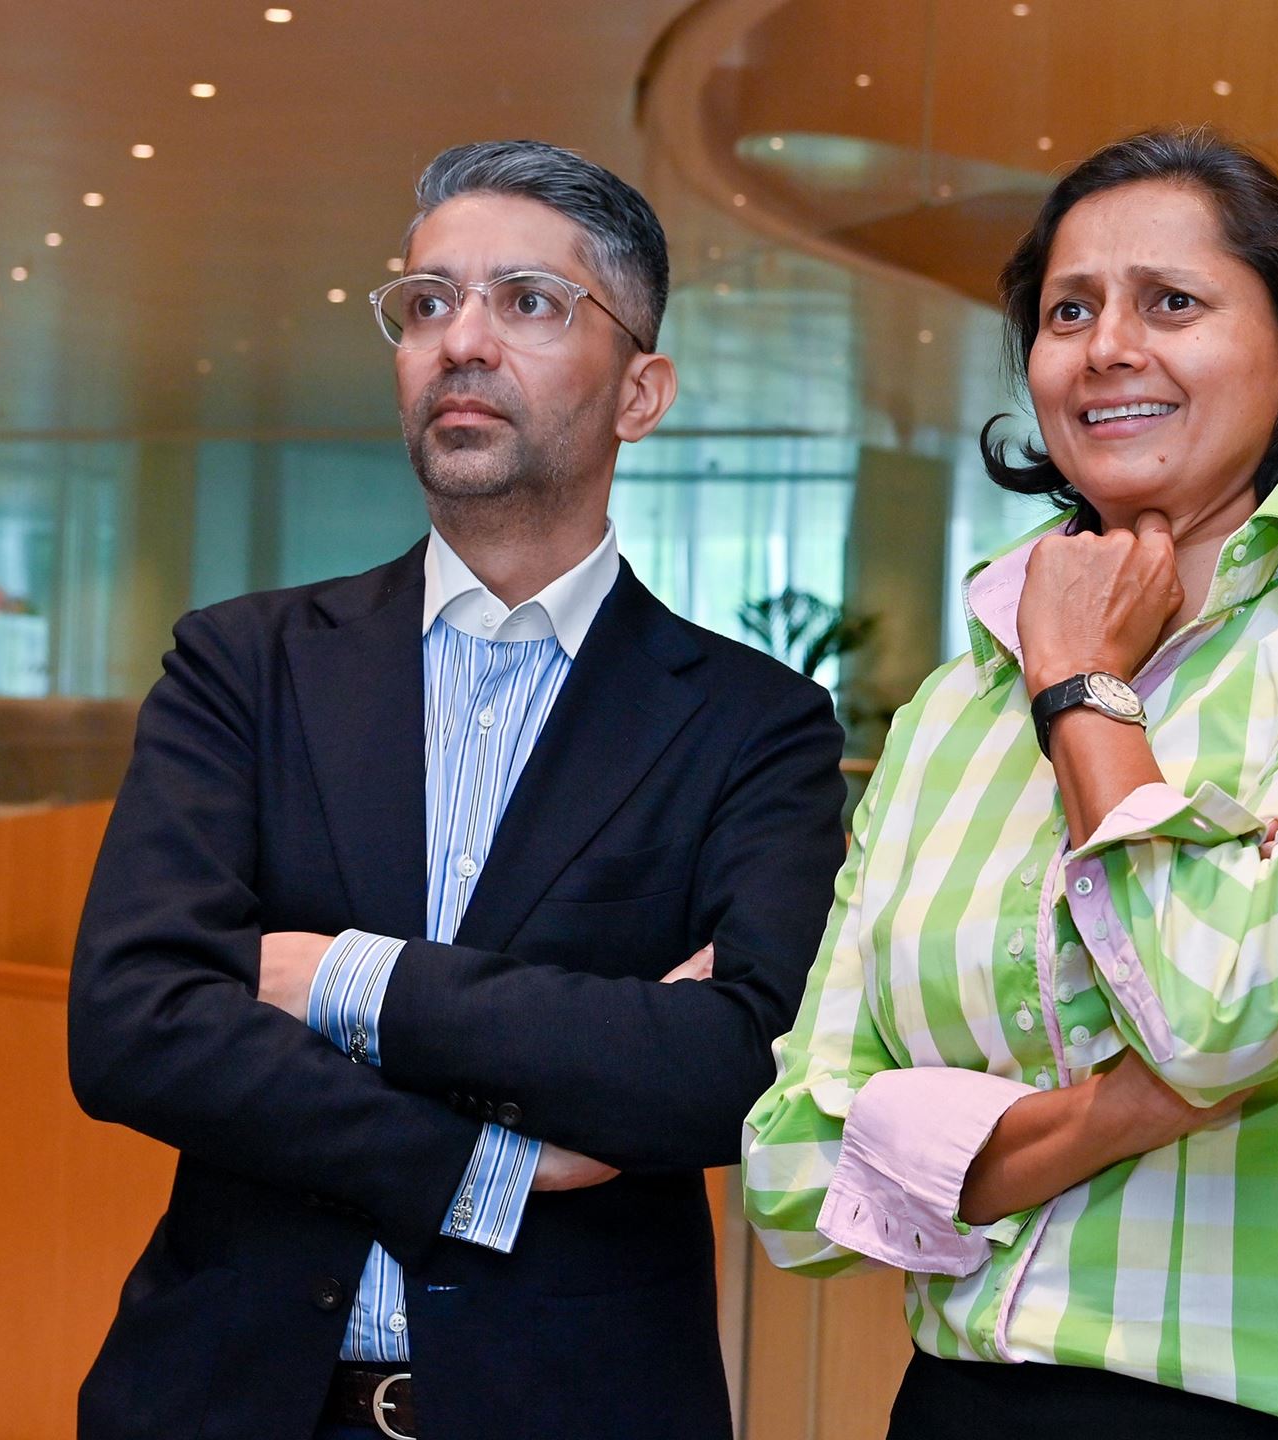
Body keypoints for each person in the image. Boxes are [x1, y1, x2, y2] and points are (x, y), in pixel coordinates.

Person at [743, 127, 1278, 1436]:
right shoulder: (954, 707)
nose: (1107, 346)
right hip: (971, 1409)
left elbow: (1216, 1011)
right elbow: (796, 1168)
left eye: (1172, 302)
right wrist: (1130, 1107)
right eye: (1069, 311)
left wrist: (1082, 689)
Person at [67, 139, 848, 1440]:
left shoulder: (751, 724)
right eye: (428, 302)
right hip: (228, 1401)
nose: (461, 342)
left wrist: (339, 980)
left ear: (641, 390)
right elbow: (133, 1025)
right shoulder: (246, 665)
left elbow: (738, 1064)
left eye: (528, 301)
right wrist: (479, 1167)